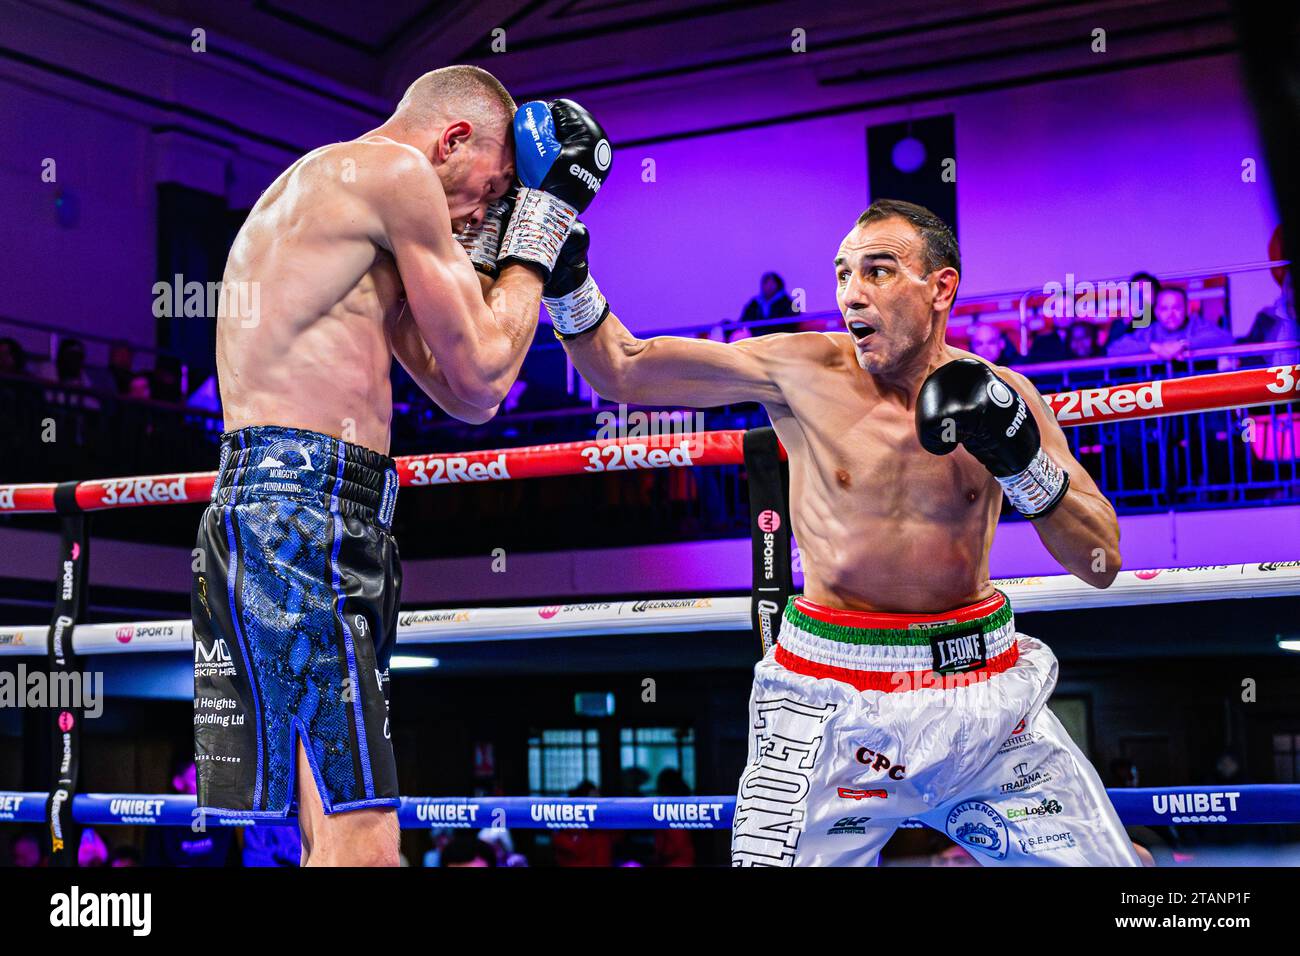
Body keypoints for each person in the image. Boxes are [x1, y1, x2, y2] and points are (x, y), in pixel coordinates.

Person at [553, 198, 1139, 865]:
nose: (851, 295)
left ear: (941, 287)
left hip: (984, 693)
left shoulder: (1008, 394)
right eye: (841, 275)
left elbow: (1099, 559)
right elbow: (622, 366)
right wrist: (566, 277)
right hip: (828, 702)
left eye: (879, 271)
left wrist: (1021, 461)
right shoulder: (800, 371)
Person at [192, 64, 612, 866]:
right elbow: (493, 371)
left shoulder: (333, 195)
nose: (485, 211)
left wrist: (501, 248)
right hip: (304, 515)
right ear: (451, 139)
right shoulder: (396, 172)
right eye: (489, 191)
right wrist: (543, 224)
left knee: (327, 835)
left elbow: (468, 395)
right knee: (366, 842)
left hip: (281, 509)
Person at [1106, 286, 1233, 361]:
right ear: (1156, 311)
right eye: (1164, 309)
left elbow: (1226, 339)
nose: (1170, 314)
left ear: (1187, 309)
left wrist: (1183, 344)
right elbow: (1113, 350)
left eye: (1176, 308)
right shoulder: (1150, 331)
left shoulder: (1198, 324)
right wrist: (1153, 347)